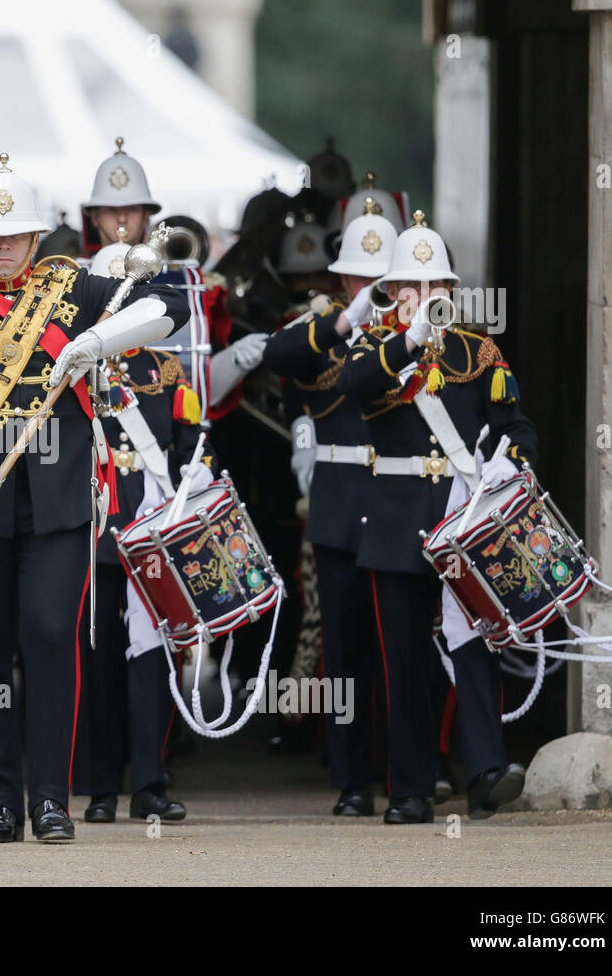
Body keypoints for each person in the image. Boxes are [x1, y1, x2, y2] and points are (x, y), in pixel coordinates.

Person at [0, 153, 188, 843]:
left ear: (35, 238)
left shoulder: (73, 287)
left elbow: (169, 303)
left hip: (57, 504)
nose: (3, 248)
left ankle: (51, 798)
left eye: (16, 236)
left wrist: (99, 337)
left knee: (53, 639)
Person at [337, 211, 532, 823]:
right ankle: (411, 789)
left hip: (463, 519)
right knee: (404, 663)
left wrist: (511, 470)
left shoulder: (479, 349)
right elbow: (357, 384)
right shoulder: (376, 344)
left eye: (437, 287)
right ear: (393, 292)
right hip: (396, 523)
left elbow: (514, 426)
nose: (426, 298)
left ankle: (484, 773)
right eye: (413, 288)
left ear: (451, 289)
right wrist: (408, 335)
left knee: (475, 648)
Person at [263, 198, 397, 815]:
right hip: (342, 505)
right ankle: (351, 779)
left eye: (380, 276)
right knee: (342, 649)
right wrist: (343, 322)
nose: (370, 287)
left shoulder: (425, 329)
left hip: (401, 502)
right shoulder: (324, 326)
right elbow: (279, 358)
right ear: (342, 280)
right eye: (358, 277)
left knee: (404, 646)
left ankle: (409, 771)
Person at [76, 243, 214, 825]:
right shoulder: (73, 364)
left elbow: (189, 445)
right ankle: (100, 786)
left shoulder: (166, 369)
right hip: (96, 527)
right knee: (98, 663)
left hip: (153, 531)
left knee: (155, 660)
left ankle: (150, 783)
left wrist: (198, 473)